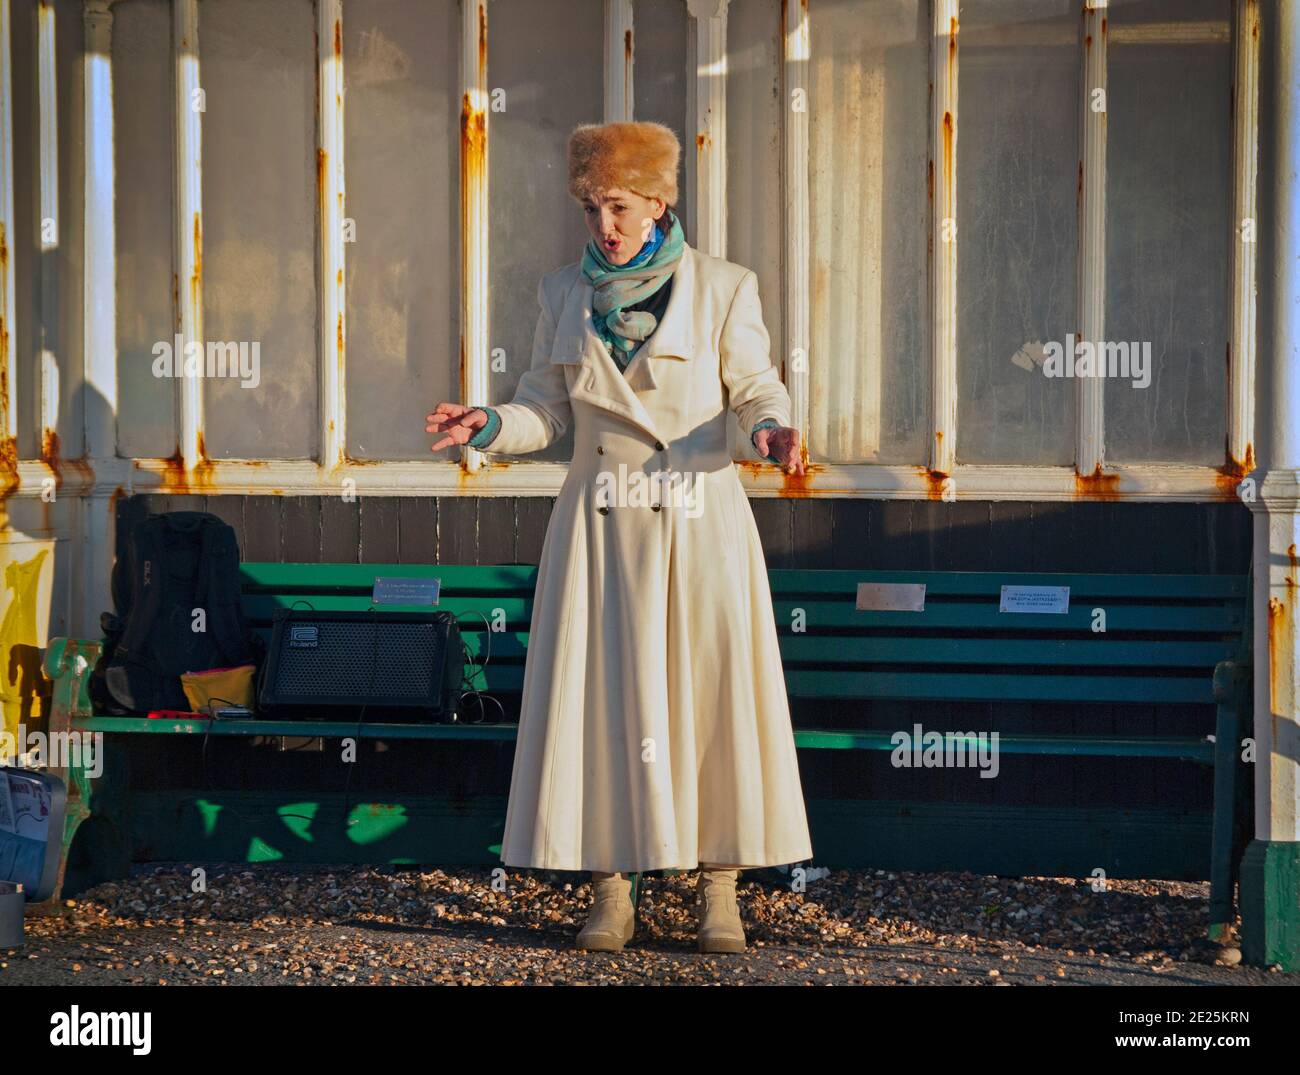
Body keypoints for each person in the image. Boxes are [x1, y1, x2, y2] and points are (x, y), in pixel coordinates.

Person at [426, 120, 813, 954]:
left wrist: (774, 433)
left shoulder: (724, 287)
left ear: (661, 200)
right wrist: (488, 422)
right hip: (599, 532)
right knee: (601, 704)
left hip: (700, 530)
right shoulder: (562, 292)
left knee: (715, 703)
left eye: (623, 205)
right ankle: (611, 889)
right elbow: (545, 409)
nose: (607, 223)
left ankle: (719, 894)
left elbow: (753, 389)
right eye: (595, 205)